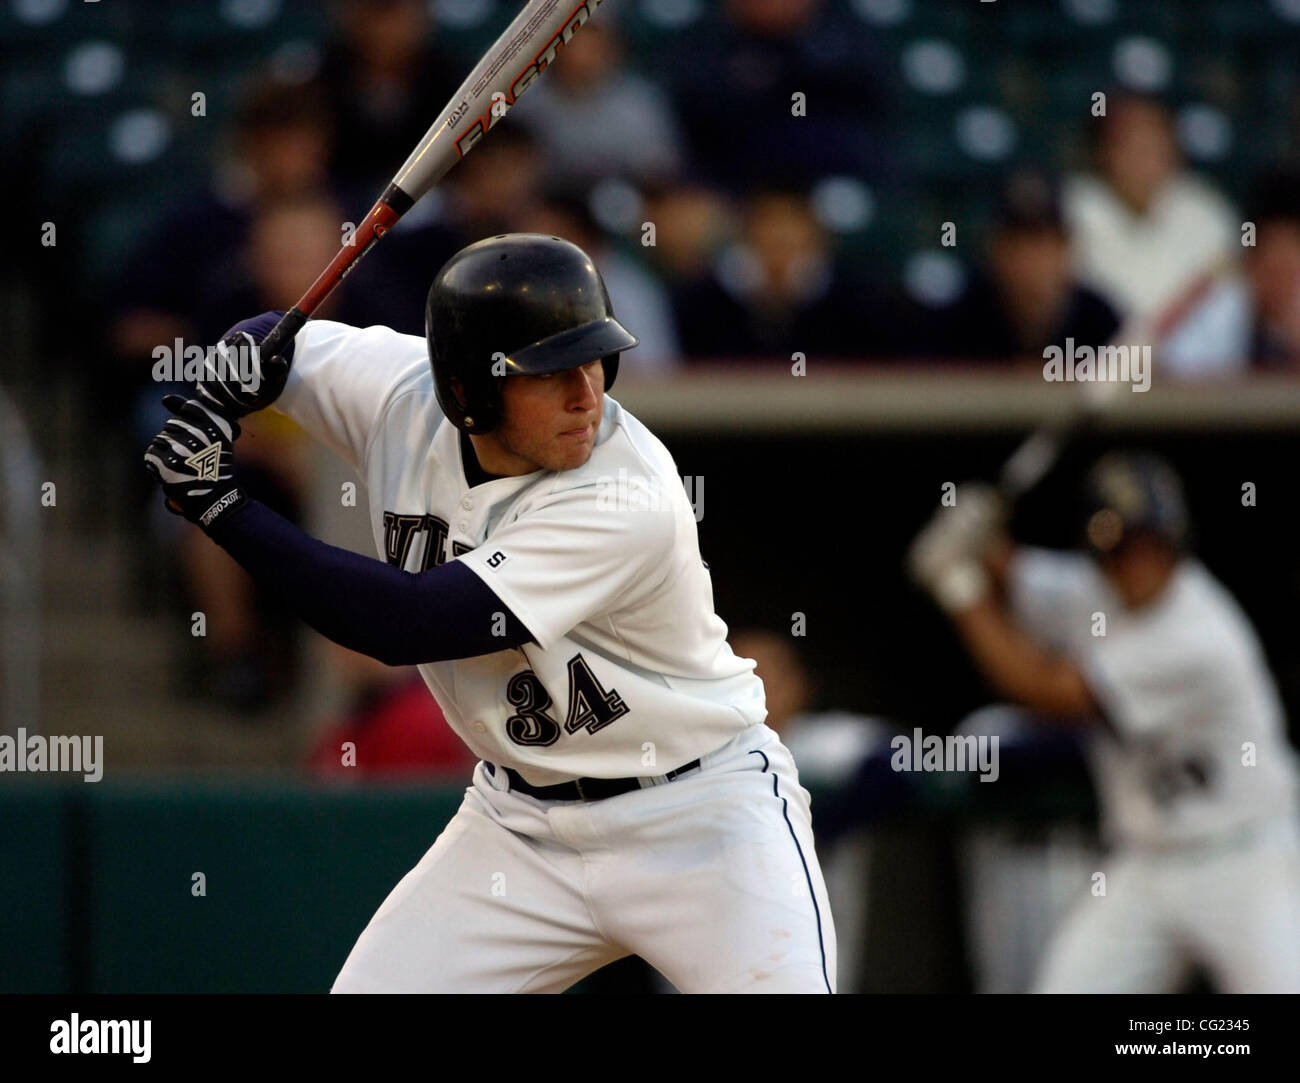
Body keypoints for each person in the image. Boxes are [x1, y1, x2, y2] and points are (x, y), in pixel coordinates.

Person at [143, 233, 836, 993]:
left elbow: (406, 623)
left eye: (595, 358)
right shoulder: (398, 389)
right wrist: (235, 368)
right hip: (522, 827)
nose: (587, 393)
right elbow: (272, 339)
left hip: (700, 815)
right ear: (468, 388)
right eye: (551, 371)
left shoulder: (624, 492)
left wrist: (220, 503)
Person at [905, 453, 1300, 992]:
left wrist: (958, 586)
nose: (1139, 564)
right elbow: (1015, 571)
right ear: (1099, 556)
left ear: (1175, 542)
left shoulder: (1199, 635)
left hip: (1243, 856)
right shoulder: (1092, 591)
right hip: (1147, 860)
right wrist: (972, 533)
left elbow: (1037, 687)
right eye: (1122, 550)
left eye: (1150, 545)